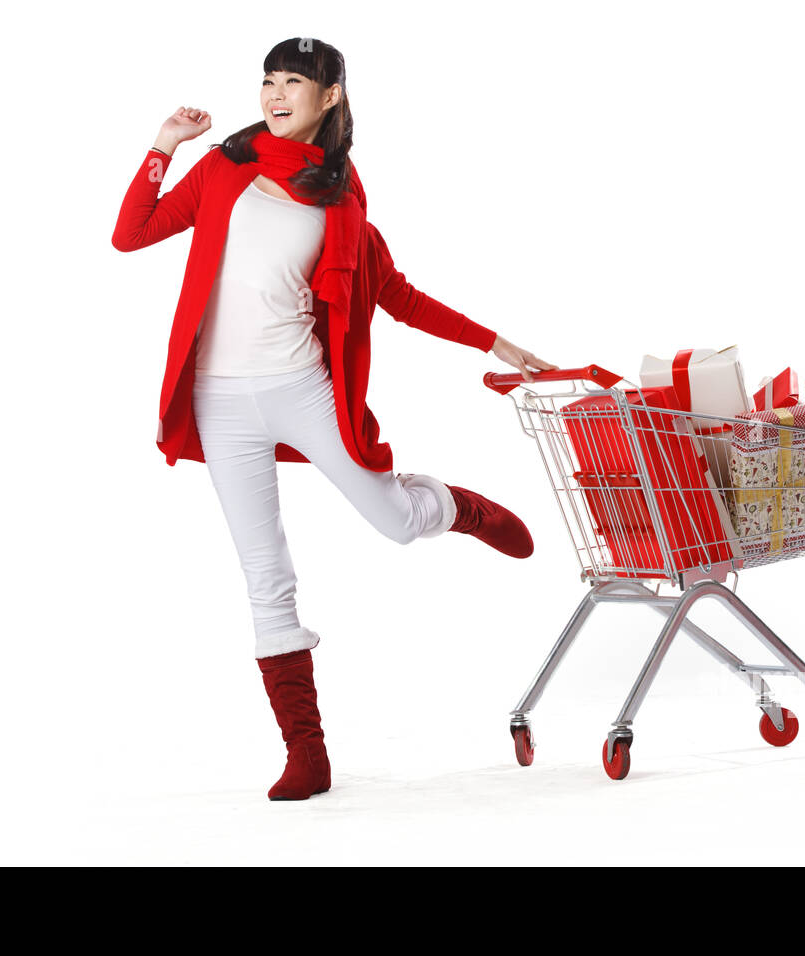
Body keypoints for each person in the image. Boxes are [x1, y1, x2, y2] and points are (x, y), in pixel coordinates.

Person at [112, 37, 557, 800]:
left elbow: (401, 297)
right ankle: (306, 753)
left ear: (331, 97)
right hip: (220, 400)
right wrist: (163, 146)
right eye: (268, 81)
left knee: (392, 522)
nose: (275, 95)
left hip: (302, 387)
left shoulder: (341, 203)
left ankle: (454, 507)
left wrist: (501, 344)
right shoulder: (223, 169)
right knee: (266, 575)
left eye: (294, 82)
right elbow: (132, 232)